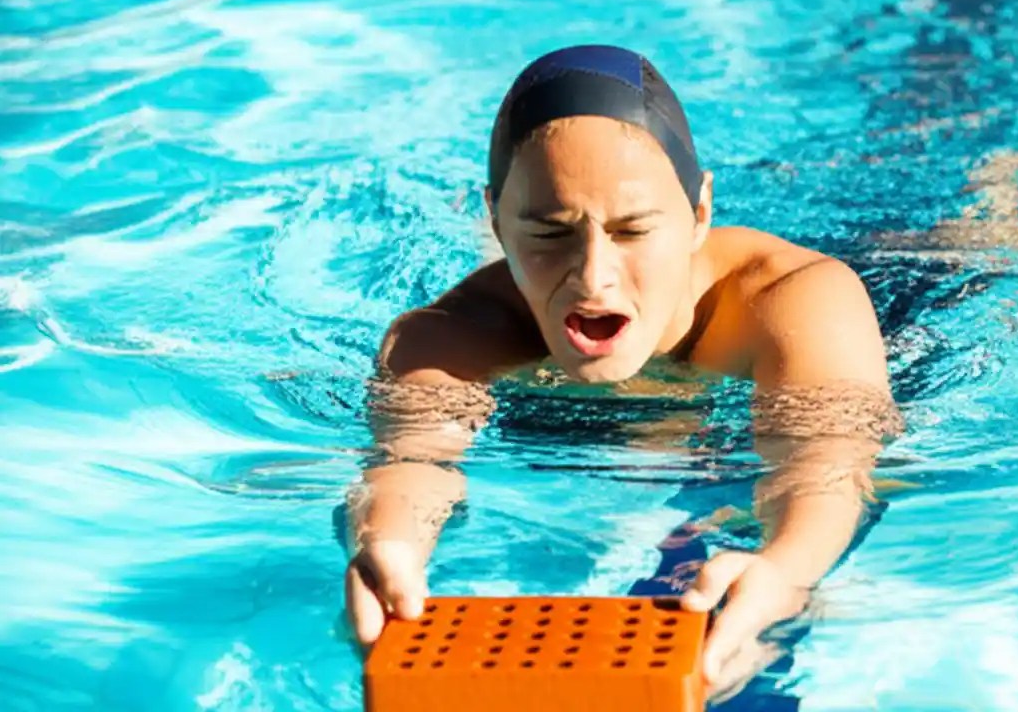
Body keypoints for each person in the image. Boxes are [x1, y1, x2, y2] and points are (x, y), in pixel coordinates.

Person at [343, 44, 901, 695]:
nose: (593, 278)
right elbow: (412, 461)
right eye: (549, 235)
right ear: (495, 222)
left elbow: (827, 460)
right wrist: (389, 545)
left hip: (909, 279)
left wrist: (788, 567)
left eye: (633, 231)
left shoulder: (794, 300)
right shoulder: (449, 336)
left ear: (698, 214)